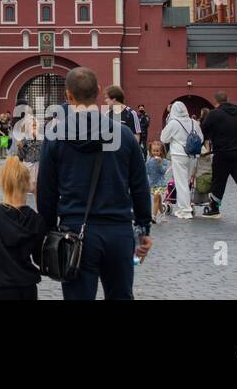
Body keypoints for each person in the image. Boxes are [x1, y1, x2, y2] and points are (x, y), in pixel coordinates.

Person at [36, 67, 152, 300]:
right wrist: (143, 228)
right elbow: (140, 186)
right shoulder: (124, 135)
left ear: (68, 96)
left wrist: (48, 230)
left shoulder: (55, 136)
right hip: (119, 231)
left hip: (76, 231)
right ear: (98, 91)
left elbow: (46, 191)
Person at [0, 156, 45, 300]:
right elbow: (40, 258)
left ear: (4, 184)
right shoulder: (36, 219)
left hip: (1, 289)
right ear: (27, 184)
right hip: (28, 288)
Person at [201, 91, 237, 221]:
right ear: (227, 99)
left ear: (216, 101)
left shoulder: (214, 114)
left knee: (219, 181)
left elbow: (204, 130)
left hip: (223, 153)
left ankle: (214, 209)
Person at [160, 102, 201, 219]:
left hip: (179, 154)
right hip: (193, 155)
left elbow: (164, 138)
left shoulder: (173, 123)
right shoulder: (194, 122)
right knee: (186, 182)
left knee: (181, 183)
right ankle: (185, 206)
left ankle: (185, 210)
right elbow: (201, 137)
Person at [145, 141, 169, 223]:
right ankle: (163, 215)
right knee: (158, 200)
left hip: (160, 183)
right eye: (154, 151)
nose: (155, 153)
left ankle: (153, 216)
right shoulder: (149, 161)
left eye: (157, 151)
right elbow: (146, 171)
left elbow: (163, 171)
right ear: (151, 151)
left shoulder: (164, 161)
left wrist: (159, 163)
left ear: (161, 151)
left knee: (156, 198)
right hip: (152, 183)